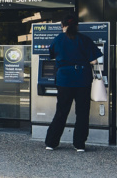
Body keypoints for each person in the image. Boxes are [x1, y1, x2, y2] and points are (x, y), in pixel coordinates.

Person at [44, 15, 103, 152]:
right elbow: (94, 61)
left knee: (61, 111)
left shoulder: (58, 39)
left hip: (64, 80)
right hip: (82, 79)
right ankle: (79, 144)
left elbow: (52, 55)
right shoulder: (84, 39)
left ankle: (51, 143)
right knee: (82, 112)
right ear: (77, 25)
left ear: (62, 25)